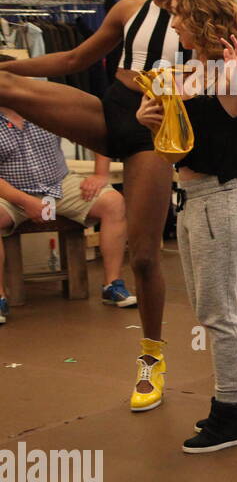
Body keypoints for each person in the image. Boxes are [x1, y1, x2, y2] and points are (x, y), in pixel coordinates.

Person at [0, 0, 190, 411]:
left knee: (143, 257)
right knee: (4, 83)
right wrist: (10, 67)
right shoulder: (128, 10)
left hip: (154, 129)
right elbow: (73, 58)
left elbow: (223, 73)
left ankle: (151, 359)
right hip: (113, 111)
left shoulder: (203, 10)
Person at [135, 0, 237, 452]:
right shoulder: (188, 74)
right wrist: (147, 120)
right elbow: (174, 145)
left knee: (219, 314)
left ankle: (229, 412)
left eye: (180, 14)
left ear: (201, 18)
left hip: (221, 200)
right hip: (194, 200)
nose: (174, 22)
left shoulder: (232, 71)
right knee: (212, 310)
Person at [0, 104, 136, 325]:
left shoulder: (44, 108)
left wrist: (100, 174)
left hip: (60, 184)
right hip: (11, 192)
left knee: (113, 203)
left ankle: (112, 284)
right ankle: (0, 298)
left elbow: (96, 131)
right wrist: (25, 201)